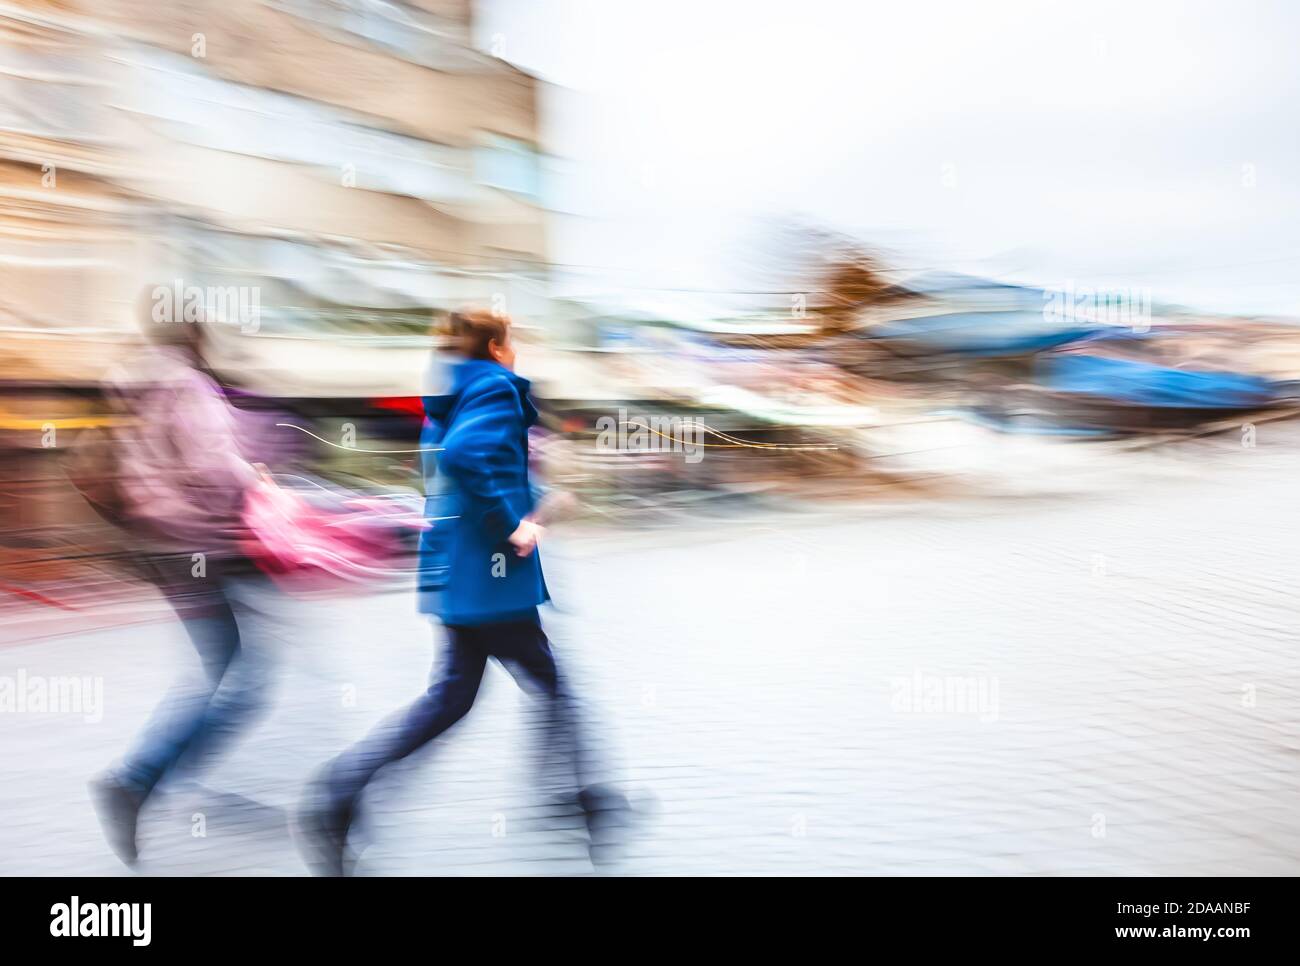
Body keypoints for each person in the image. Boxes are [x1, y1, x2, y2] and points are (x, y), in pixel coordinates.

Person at [295, 309, 625, 876]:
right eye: (512, 341)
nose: (516, 352)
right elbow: (469, 459)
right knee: (556, 692)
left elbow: (469, 467)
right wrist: (514, 525)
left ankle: (340, 794)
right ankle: (585, 804)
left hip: (462, 577)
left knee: (452, 701)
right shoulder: (495, 386)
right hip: (493, 581)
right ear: (496, 347)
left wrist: (537, 499)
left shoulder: (450, 394)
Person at [88, 286, 277, 867]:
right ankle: (140, 777)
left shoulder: (138, 384)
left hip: (165, 547)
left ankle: (153, 776)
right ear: (191, 330)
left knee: (224, 669)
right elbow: (212, 464)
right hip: (202, 546)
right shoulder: (187, 384)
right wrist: (259, 481)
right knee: (245, 679)